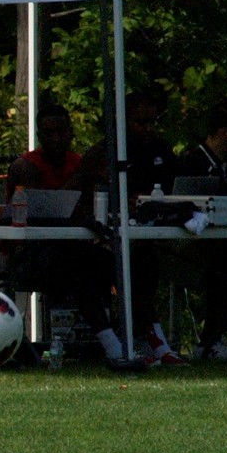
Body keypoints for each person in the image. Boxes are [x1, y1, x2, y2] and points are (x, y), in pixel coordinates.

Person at [7, 104, 146, 372]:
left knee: (133, 259)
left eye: (61, 132)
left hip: (74, 251)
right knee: (76, 264)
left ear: (71, 133)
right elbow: (44, 213)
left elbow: (83, 212)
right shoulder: (26, 166)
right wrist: (83, 175)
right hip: (31, 255)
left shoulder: (78, 162)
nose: (55, 139)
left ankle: (148, 338)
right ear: (39, 135)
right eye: (48, 133)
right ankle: (113, 346)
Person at [74, 93, 188, 365]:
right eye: (140, 122)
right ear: (122, 121)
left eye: (152, 121)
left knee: (145, 260)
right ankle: (129, 342)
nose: (147, 128)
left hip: (150, 235)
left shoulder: (161, 148)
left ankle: (148, 337)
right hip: (102, 241)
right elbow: (78, 200)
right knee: (125, 263)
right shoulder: (104, 153)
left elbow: (177, 188)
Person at [177, 102, 227, 361]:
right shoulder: (193, 163)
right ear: (223, 132)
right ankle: (209, 342)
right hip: (191, 246)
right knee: (226, 268)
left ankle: (213, 340)